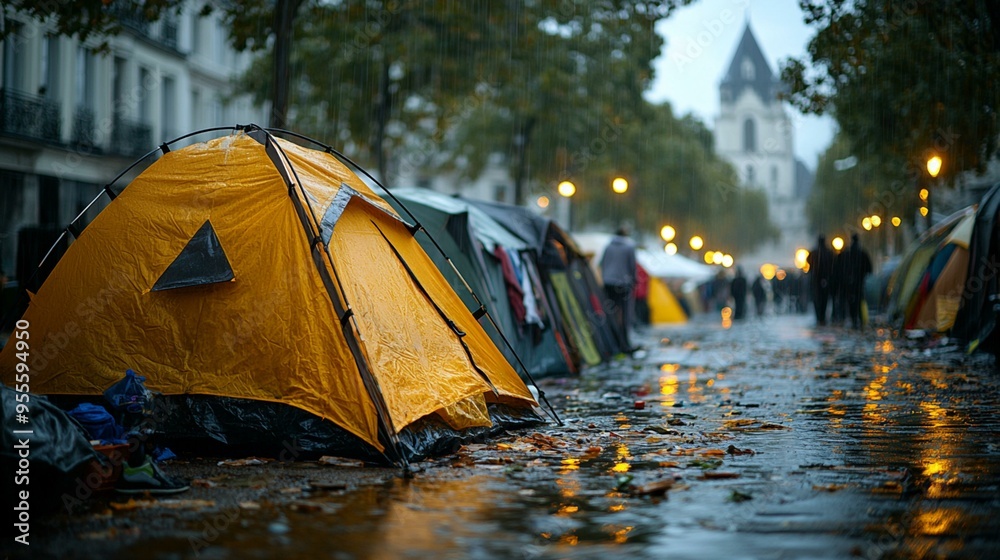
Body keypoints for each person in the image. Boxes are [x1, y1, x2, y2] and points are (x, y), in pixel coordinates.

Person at [600, 226, 637, 352]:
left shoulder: (608, 247)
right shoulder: (629, 247)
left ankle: (610, 341)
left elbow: (602, 263)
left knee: (610, 312)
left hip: (608, 282)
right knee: (624, 314)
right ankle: (624, 343)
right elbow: (632, 266)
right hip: (623, 284)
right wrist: (633, 281)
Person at [842, 233, 873, 330]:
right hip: (859, 282)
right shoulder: (862, 253)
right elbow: (869, 269)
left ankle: (854, 319)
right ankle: (860, 319)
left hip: (849, 283)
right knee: (859, 301)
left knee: (851, 302)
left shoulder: (847, 254)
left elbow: (842, 268)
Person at [806, 234, 834, 325]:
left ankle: (819, 317)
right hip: (826, 279)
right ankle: (822, 317)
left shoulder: (814, 253)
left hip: (816, 280)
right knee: (824, 300)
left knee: (817, 299)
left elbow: (809, 263)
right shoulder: (829, 253)